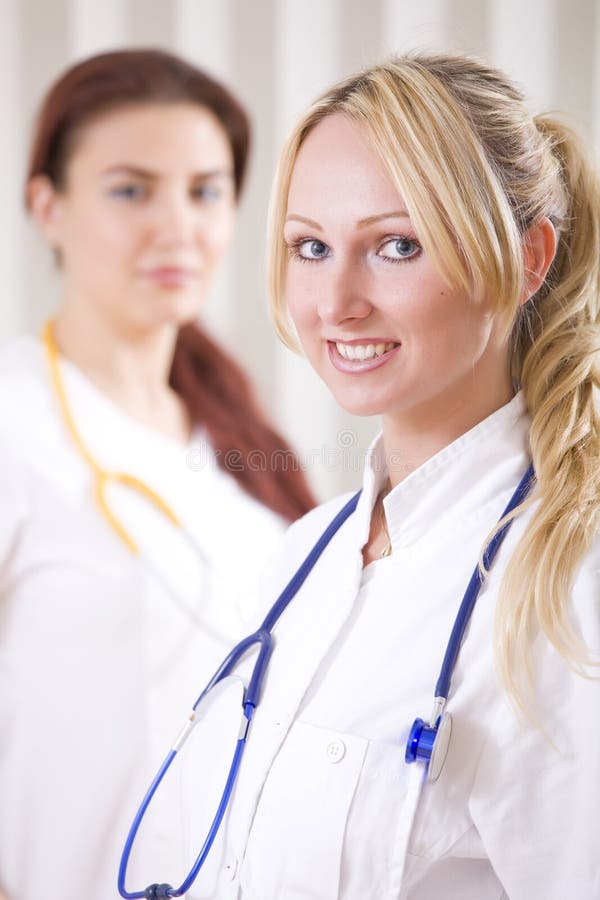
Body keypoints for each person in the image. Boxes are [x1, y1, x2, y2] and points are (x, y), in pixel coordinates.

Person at [142, 52, 599, 899]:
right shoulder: (305, 559)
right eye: (310, 247)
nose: (336, 301)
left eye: (396, 245)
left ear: (529, 258)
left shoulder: (569, 593)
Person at [0, 48, 315, 900]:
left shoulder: (244, 446)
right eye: (131, 190)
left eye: (206, 190)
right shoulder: (14, 425)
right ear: (47, 206)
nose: (178, 226)